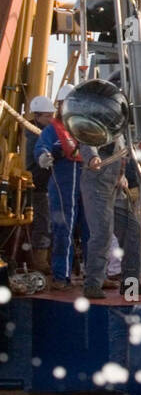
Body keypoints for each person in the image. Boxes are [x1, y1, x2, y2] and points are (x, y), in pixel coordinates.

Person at [79, 134, 141, 301]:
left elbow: (121, 149)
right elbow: (86, 137)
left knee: (132, 231)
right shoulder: (98, 116)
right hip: (97, 185)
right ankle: (92, 285)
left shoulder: (118, 124)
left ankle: (131, 284)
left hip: (115, 185)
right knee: (102, 233)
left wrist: (122, 175)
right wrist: (92, 157)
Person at [32, 84, 89, 288]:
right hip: (63, 184)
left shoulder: (86, 127)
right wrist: (43, 157)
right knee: (63, 228)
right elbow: (41, 147)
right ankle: (61, 275)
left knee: (91, 229)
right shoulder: (52, 130)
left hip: (87, 184)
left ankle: (94, 275)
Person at [24, 95, 55, 273]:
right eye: (47, 117)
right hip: (38, 187)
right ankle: (41, 262)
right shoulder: (36, 136)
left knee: (50, 222)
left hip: (47, 186)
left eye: (52, 116)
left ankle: (46, 259)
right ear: (37, 117)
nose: (51, 120)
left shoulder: (45, 132)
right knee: (43, 222)